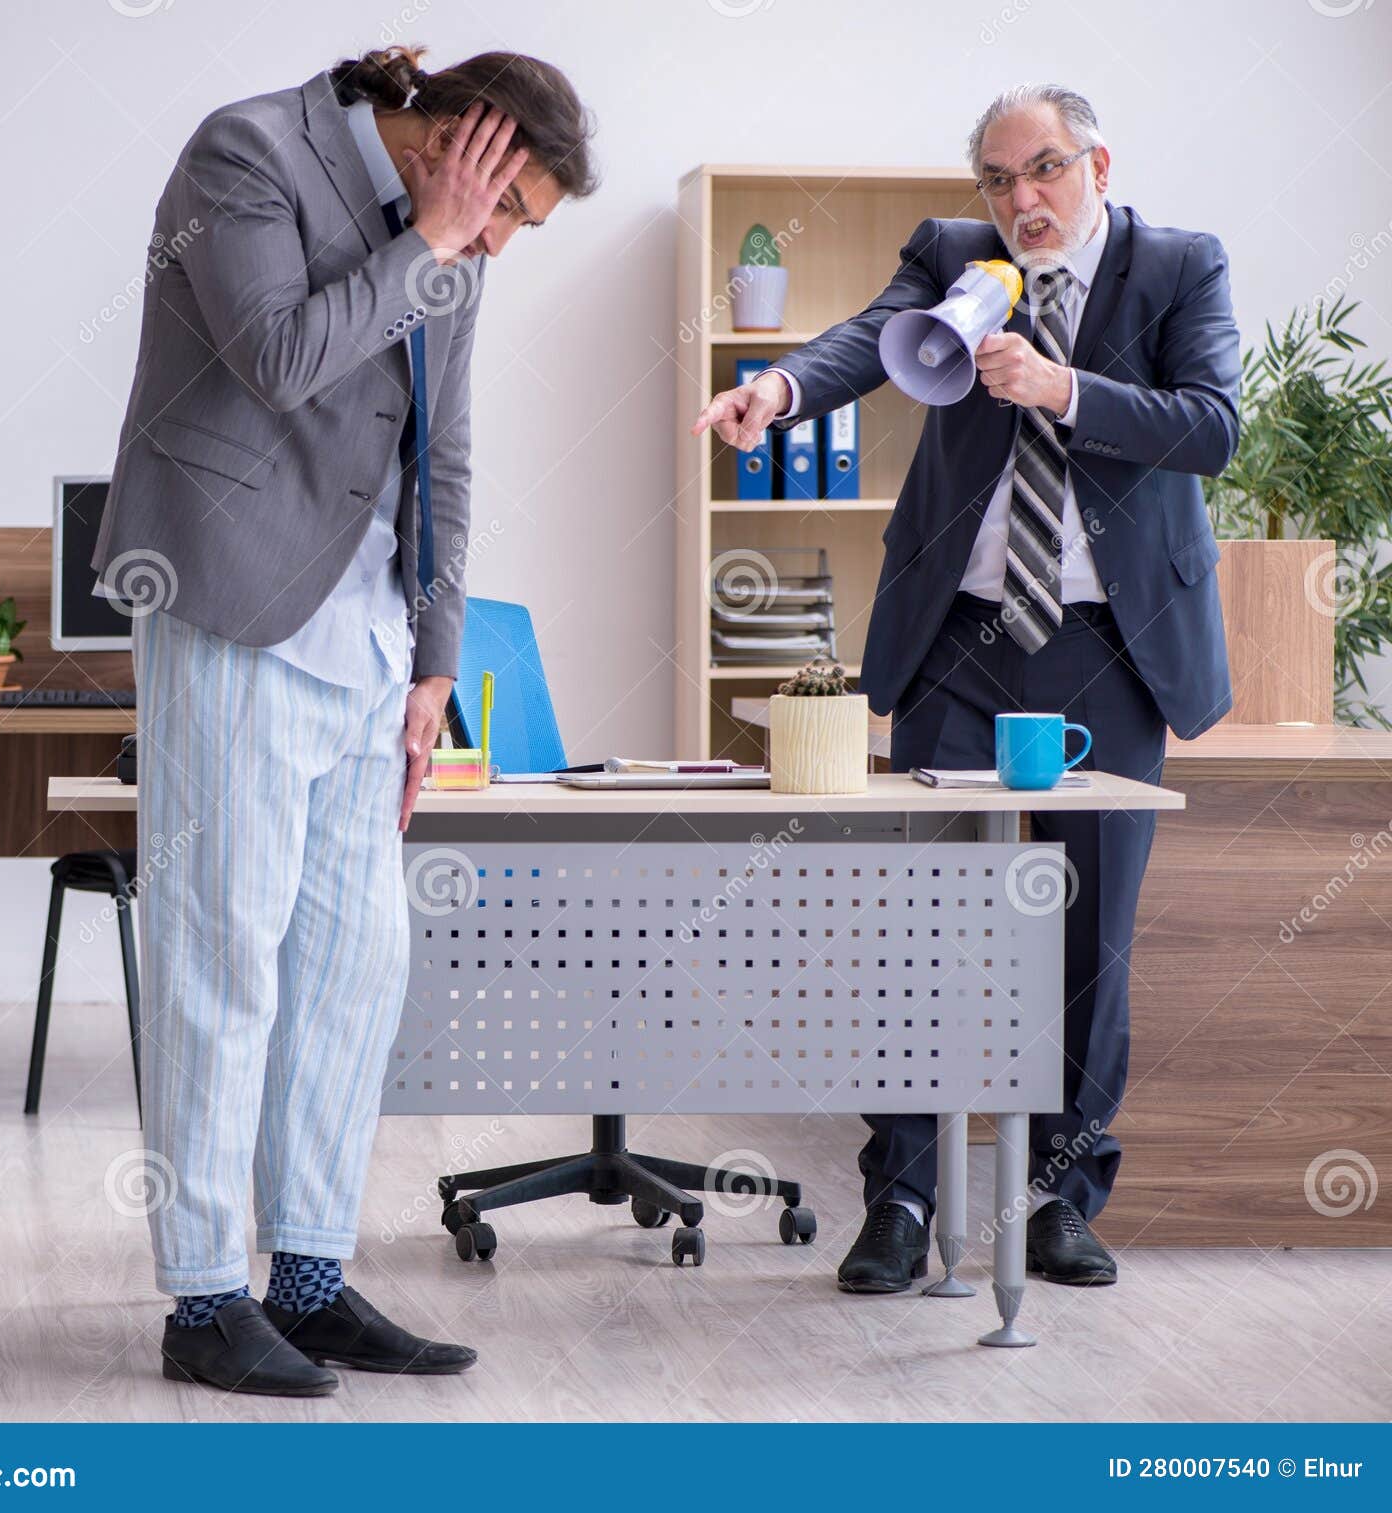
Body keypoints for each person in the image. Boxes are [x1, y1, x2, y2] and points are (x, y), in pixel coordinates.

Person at [91, 45, 596, 1396]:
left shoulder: (459, 240)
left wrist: (437, 661)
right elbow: (275, 356)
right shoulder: (245, 153)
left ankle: (307, 1277)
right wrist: (431, 241)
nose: (499, 243)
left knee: (353, 970)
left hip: (373, 639)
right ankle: (203, 1296)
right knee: (221, 956)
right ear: (454, 144)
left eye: (515, 228)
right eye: (505, 208)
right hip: (235, 606)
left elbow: (450, 448)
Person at [694, 84, 1238, 1294]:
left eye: (1042, 171)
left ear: (1098, 160)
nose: (1021, 201)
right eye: (997, 180)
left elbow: (1211, 427)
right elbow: (862, 339)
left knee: (1087, 943)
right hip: (961, 641)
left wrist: (1064, 391)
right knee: (920, 928)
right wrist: (776, 390)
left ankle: (1055, 1202)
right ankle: (898, 1199)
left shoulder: (1179, 267)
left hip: (1111, 647)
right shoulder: (957, 256)